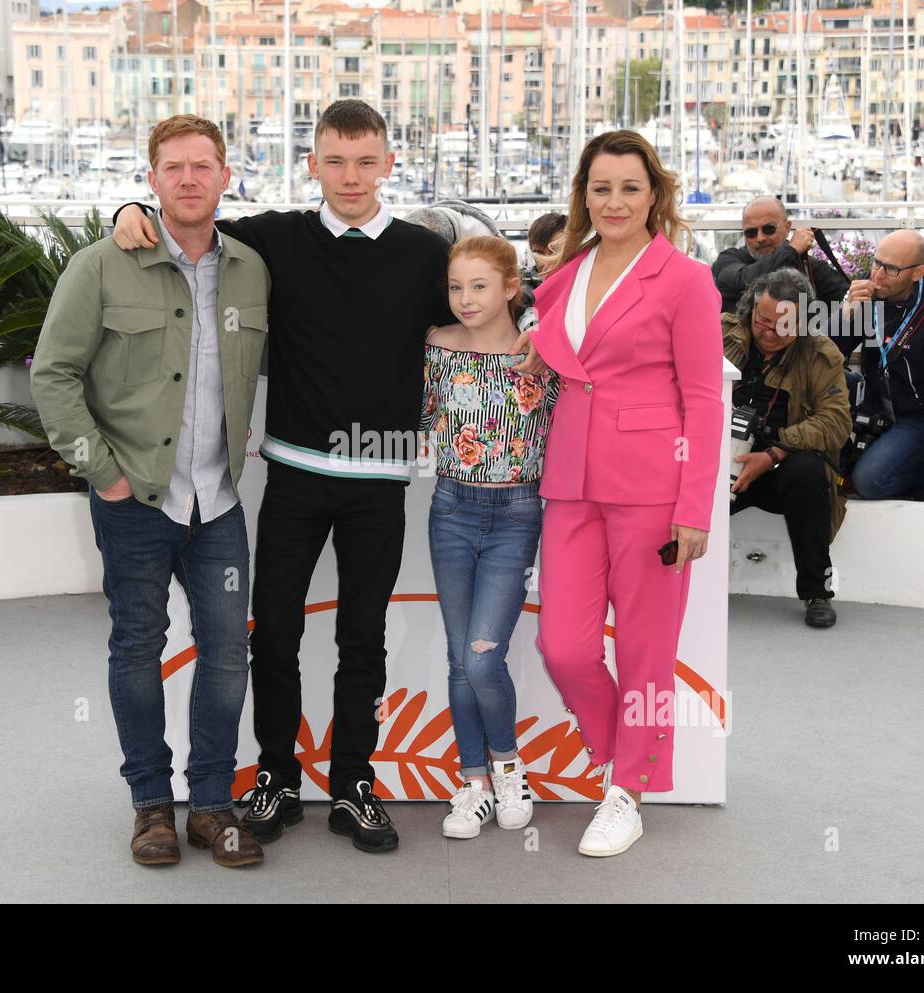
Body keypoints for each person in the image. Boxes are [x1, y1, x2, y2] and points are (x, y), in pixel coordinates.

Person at [111, 101, 544, 852]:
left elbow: (493, 294)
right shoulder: (274, 239)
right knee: (273, 629)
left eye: (366, 161)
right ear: (312, 164)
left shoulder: (421, 253)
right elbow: (187, 227)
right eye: (336, 162)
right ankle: (277, 774)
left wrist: (537, 335)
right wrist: (127, 207)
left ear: (388, 165)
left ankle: (353, 782)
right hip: (294, 476)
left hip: (378, 481)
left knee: (362, 636)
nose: (351, 177)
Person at [30, 115, 269, 868]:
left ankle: (209, 803)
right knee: (137, 644)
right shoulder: (101, 264)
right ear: (152, 179)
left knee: (229, 650)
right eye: (174, 167)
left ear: (227, 176)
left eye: (204, 165)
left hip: (219, 501)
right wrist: (102, 471)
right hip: (133, 500)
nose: (190, 178)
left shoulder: (253, 270)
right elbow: (52, 374)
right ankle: (150, 806)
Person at [527, 129, 724, 858]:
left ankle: (628, 791)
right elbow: (560, 354)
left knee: (646, 647)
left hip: (652, 485)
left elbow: (705, 399)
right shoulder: (564, 274)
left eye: (629, 188)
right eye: (600, 187)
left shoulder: (685, 279)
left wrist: (693, 508)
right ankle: (626, 756)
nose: (613, 201)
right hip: (570, 482)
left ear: (654, 195)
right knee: (564, 646)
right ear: (584, 195)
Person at [422, 235, 559, 839]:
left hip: (517, 513)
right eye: (456, 287)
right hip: (450, 507)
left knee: (482, 655)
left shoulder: (540, 353)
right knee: (459, 659)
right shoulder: (435, 347)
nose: (465, 299)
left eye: (479, 286)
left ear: (511, 287)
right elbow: (424, 417)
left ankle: (508, 763)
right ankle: (472, 782)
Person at [724, 269, 853, 629]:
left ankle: (816, 592)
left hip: (774, 470)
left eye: (783, 327)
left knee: (808, 470)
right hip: (714, 462)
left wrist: (774, 453)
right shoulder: (719, 332)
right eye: (762, 320)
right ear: (750, 308)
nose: (769, 333)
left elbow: (837, 422)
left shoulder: (820, 355)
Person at [844, 229, 924, 503]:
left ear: (918, 272)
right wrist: (847, 312)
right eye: (876, 262)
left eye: (890, 269)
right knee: (827, 380)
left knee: (868, 481)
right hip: (876, 403)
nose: (877, 275)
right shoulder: (872, 293)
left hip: (919, 419)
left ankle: (918, 474)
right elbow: (825, 353)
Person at [713, 197, 854, 358]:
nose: (760, 238)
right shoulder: (730, 259)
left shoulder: (809, 267)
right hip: (743, 362)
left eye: (769, 229)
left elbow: (846, 297)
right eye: (751, 232)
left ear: (787, 228)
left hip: (798, 363)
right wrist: (791, 251)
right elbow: (742, 280)